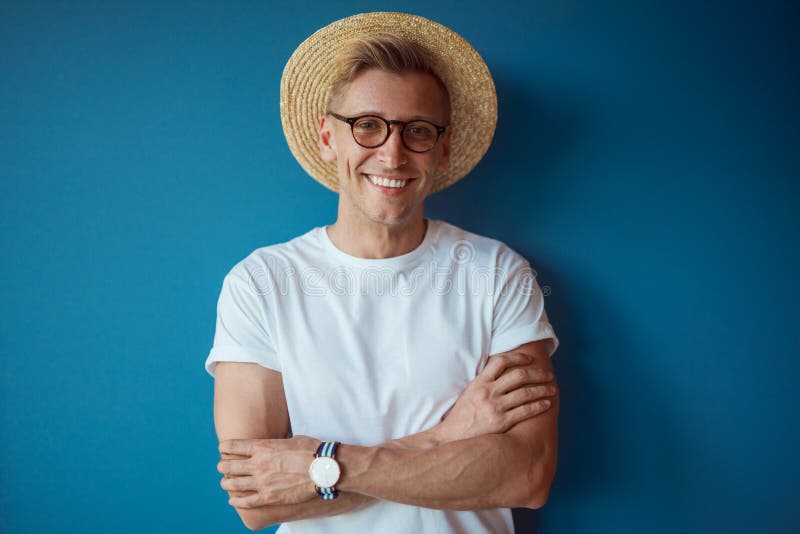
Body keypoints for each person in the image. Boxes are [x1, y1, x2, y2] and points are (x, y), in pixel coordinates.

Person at [205, 12, 560, 534]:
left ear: (441, 149)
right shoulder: (260, 283)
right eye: (367, 125)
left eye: (417, 131)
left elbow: (526, 475)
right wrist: (443, 437)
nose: (391, 155)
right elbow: (259, 502)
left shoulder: (498, 275)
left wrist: (316, 468)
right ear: (328, 137)